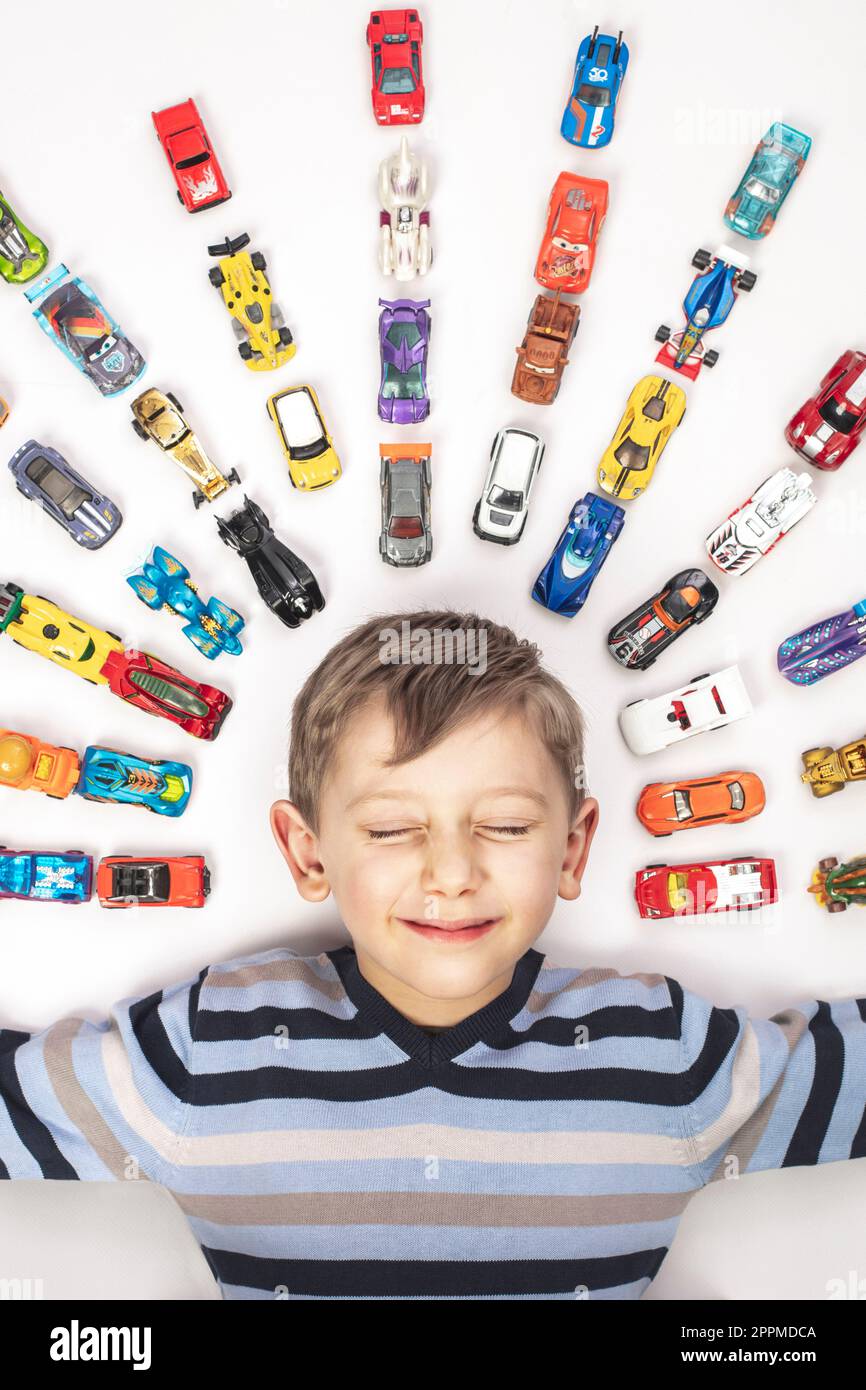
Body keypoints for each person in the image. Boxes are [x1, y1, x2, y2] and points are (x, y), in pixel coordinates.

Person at [2, 609, 864, 1300]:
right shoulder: (202, 1050)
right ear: (307, 854)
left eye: (505, 827)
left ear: (572, 849)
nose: (451, 873)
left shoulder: (667, 1052)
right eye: (390, 829)